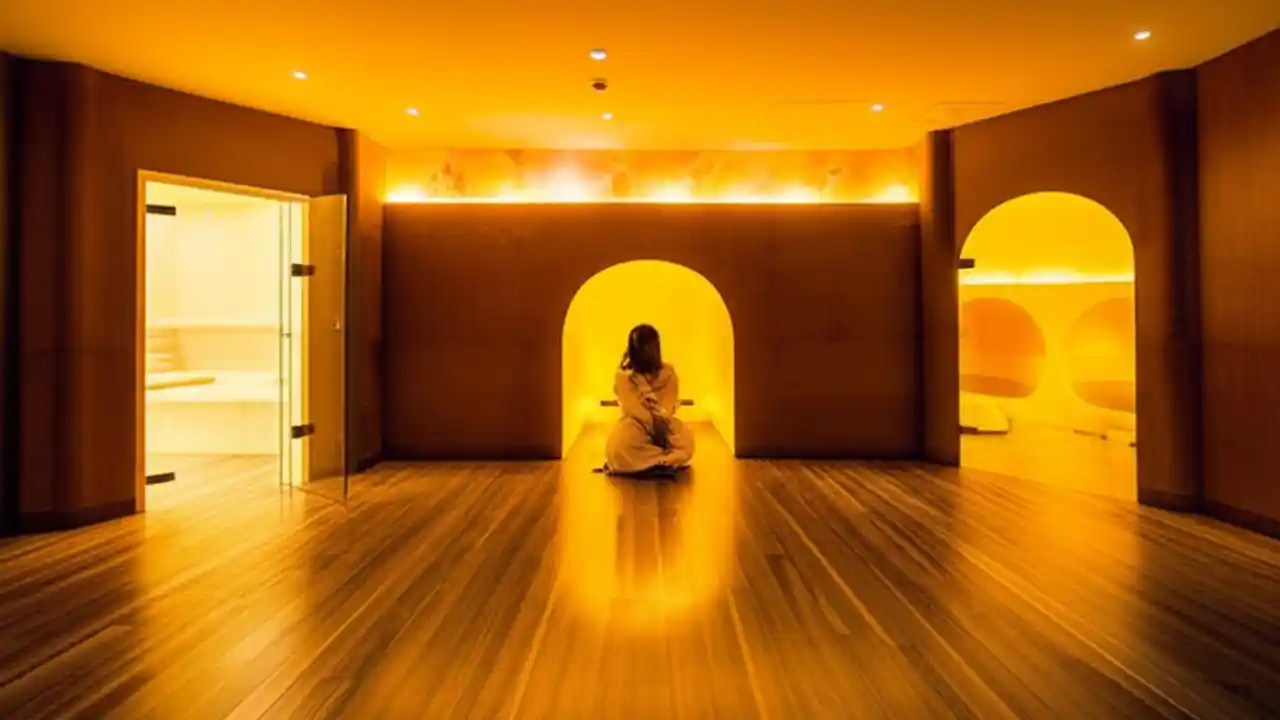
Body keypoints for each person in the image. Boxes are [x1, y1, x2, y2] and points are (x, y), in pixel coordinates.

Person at [604, 324, 695, 474]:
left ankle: (660, 460)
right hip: (636, 426)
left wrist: (662, 421)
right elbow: (631, 408)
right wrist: (650, 425)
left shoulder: (668, 373)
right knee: (619, 447)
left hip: (663, 425)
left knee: (687, 441)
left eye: (648, 347)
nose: (645, 352)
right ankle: (663, 460)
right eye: (640, 348)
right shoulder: (625, 376)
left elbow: (668, 404)